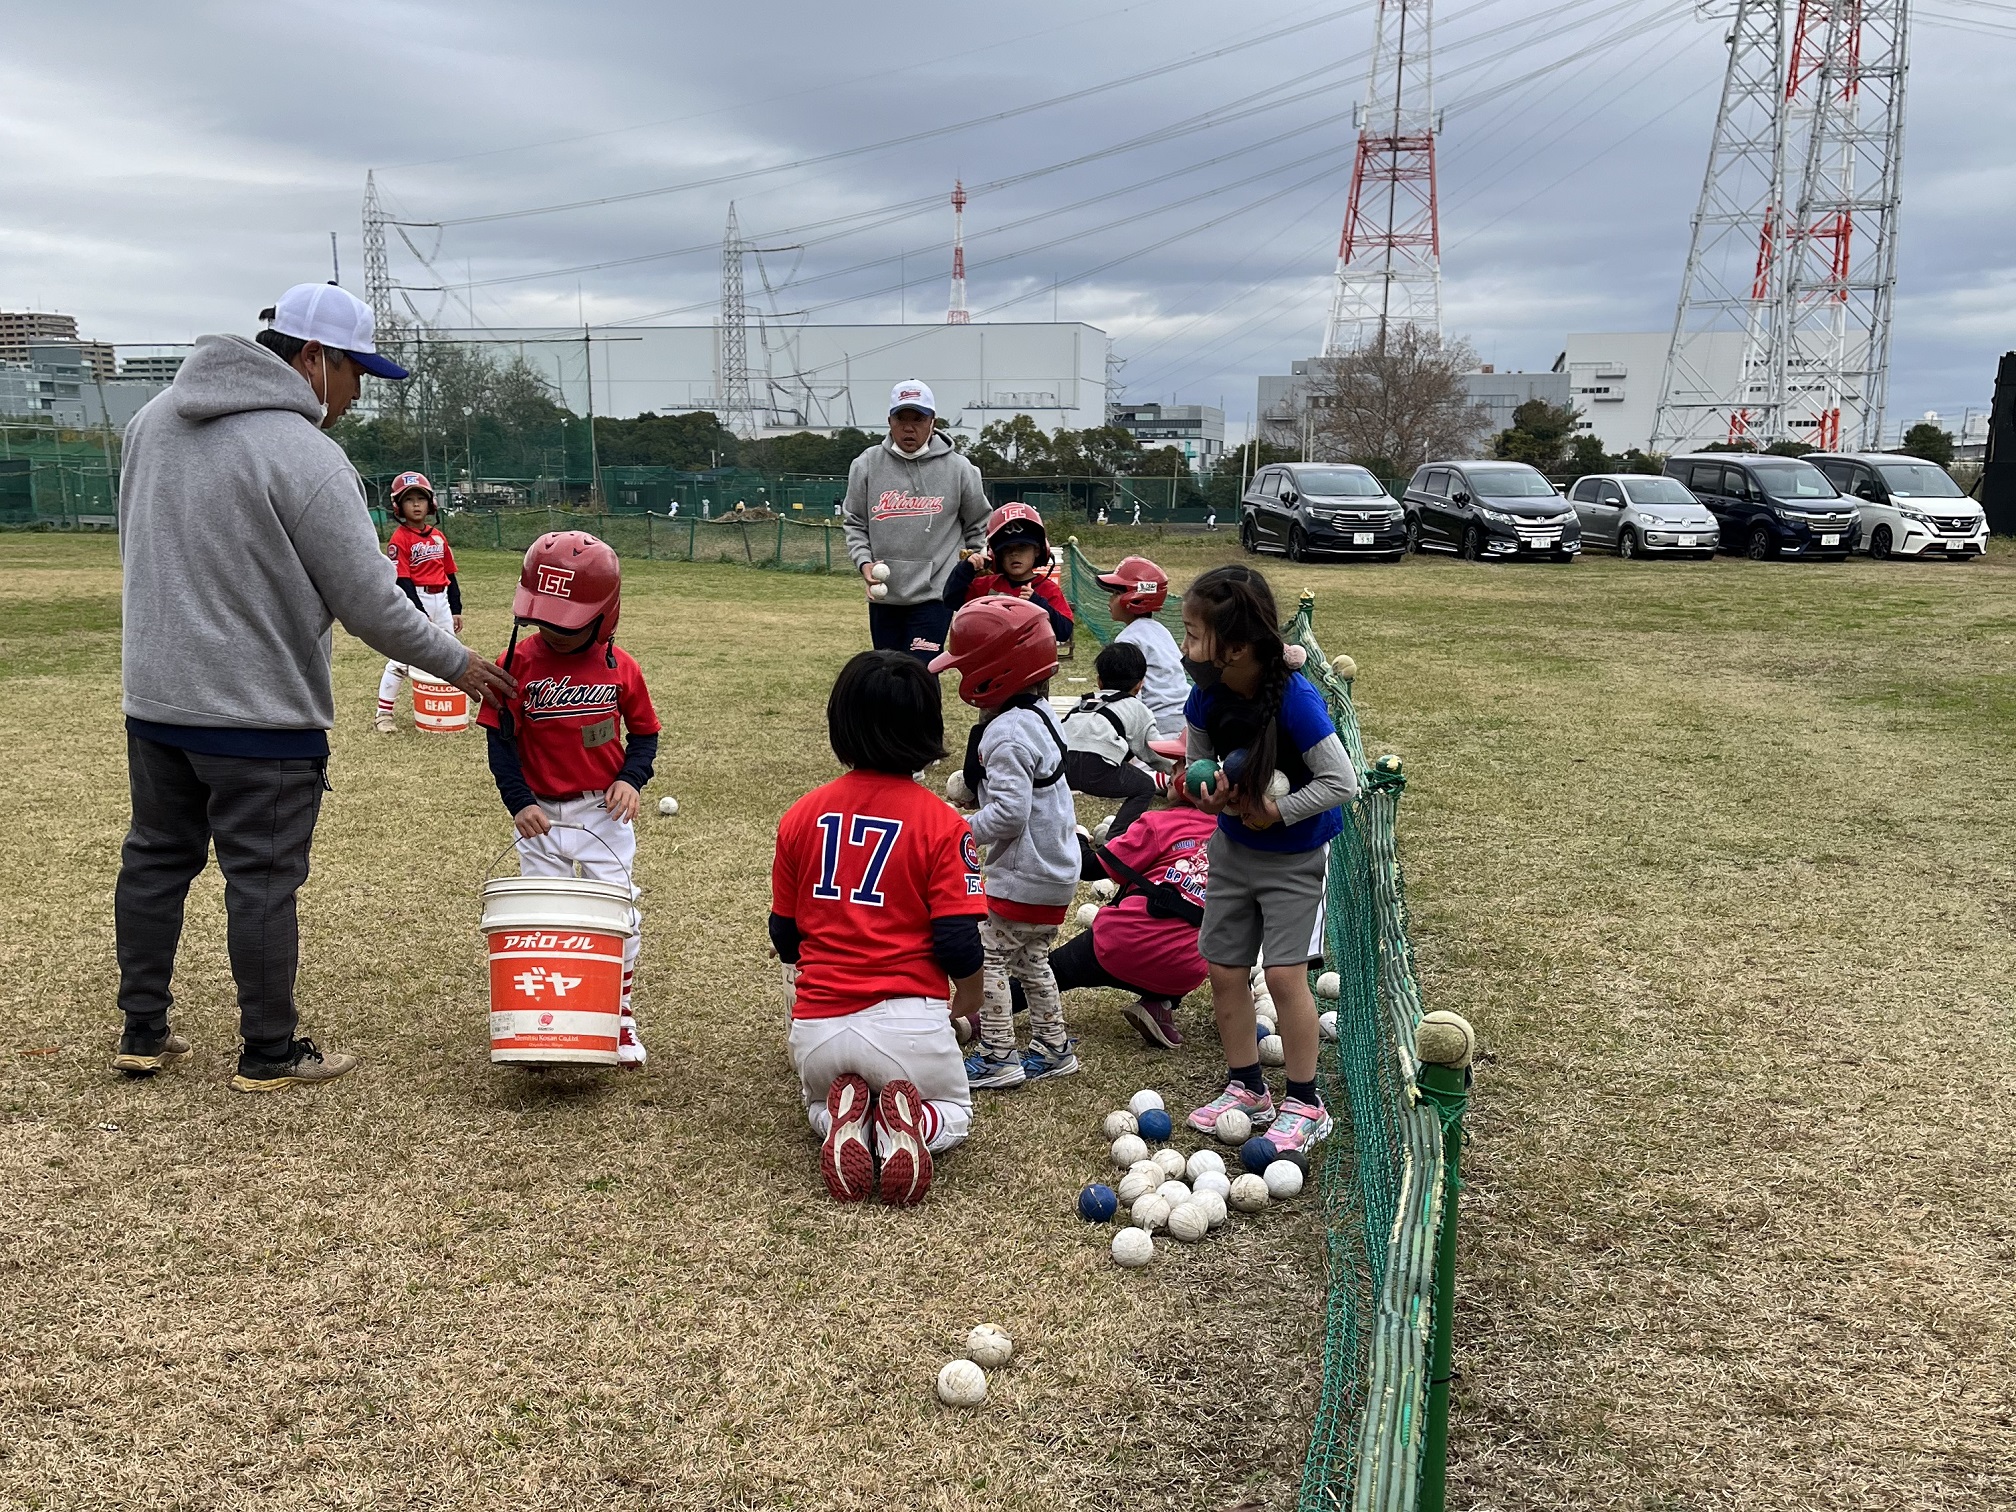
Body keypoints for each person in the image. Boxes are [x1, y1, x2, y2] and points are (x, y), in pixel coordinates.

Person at [113, 282, 515, 1091]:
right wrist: (462, 667)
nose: (358, 393)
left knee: (155, 860)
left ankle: (142, 1031)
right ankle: (268, 1052)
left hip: (155, 702)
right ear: (313, 358)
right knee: (262, 882)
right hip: (260, 717)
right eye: (356, 372)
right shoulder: (308, 456)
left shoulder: (150, 421)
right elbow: (371, 604)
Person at [771, 651, 986, 1205]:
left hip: (818, 1028)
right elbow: (958, 940)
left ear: (839, 723)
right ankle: (908, 1126)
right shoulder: (944, 823)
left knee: (816, 1104)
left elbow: (784, 934)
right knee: (956, 1110)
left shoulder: (800, 815)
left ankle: (845, 1120)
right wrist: (970, 999)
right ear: (929, 728)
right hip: (908, 1025)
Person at [1178, 564, 1358, 1159]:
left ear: (1234, 648)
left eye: (1193, 635)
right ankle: (1248, 1087)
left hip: (1295, 858)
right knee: (1225, 969)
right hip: (1233, 850)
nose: (1185, 648)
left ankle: (1305, 1101)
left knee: (1283, 977)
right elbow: (1201, 766)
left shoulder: (1296, 701)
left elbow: (1342, 781)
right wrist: (1210, 795)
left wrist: (1278, 813)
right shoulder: (1205, 696)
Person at [478, 532, 659, 1067]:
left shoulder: (620, 667)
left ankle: (619, 1014)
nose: (553, 632)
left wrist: (631, 778)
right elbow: (500, 743)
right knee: (546, 915)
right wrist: (518, 802)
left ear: (604, 616)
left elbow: (645, 734)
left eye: (568, 622)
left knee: (618, 911)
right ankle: (551, 1017)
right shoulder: (515, 662)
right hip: (537, 813)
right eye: (543, 619)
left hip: (603, 811)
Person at [931, 597, 1079, 1090]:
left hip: (1024, 873)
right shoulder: (1039, 714)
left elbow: (1011, 814)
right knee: (1032, 960)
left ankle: (997, 1055)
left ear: (992, 672)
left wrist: (961, 830)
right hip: (1055, 871)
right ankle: (1054, 1048)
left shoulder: (1007, 733)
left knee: (987, 955)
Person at [1013, 755, 1213, 1049]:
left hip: (1121, 947)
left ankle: (978, 1016)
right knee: (1187, 923)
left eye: (1182, 762)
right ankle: (1160, 1005)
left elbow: (1090, 868)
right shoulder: (1235, 837)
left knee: (1052, 971)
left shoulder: (1160, 823)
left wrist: (1077, 836)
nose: (1171, 769)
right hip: (1184, 971)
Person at [842, 380, 990, 664]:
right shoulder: (866, 465)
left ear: (933, 422)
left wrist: (971, 570)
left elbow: (979, 525)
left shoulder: (960, 469)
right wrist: (864, 562)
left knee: (922, 671)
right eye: (901, 419)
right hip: (885, 592)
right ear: (890, 421)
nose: (909, 428)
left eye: (918, 419)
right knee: (888, 673)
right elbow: (856, 523)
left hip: (935, 594)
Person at [373, 471, 463, 733]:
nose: (415, 504)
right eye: (408, 499)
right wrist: (417, 611)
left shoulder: (438, 537)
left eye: (420, 499)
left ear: (430, 503)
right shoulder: (399, 539)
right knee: (402, 659)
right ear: (398, 506)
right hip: (415, 598)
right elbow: (402, 580)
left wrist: (456, 608)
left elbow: (450, 574)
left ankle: (450, 710)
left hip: (441, 600)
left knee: (451, 654)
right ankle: (383, 714)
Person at [1059, 641, 1172, 842]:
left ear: (1099, 681)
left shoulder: (1084, 701)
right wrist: (1178, 769)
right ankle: (1115, 839)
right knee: (1145, 786)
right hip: (1098, 767)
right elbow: (1154, 752)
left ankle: (1064, 834)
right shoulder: (1136, 708)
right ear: (1140, 684)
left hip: (1063, 764)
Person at [941, 502, 1073, 644]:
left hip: (1030, 655)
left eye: (1022, 546)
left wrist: (1038, 604)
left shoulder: (1047, 589)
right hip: (990, 654)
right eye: (1006, 548)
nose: (1014, 553)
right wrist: (965, 569)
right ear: (996, 555)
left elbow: (1064, 631)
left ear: (1037, 550)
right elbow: (951, 600)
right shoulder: (986, 585)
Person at [1098, 555, 1187, 736]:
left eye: (1116, 593)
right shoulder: (1160, 630)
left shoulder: (1128, 640)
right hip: (1183, 718)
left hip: (1157, 725)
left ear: (1135, 598)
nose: (1110, 600)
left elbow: (1128, 697)